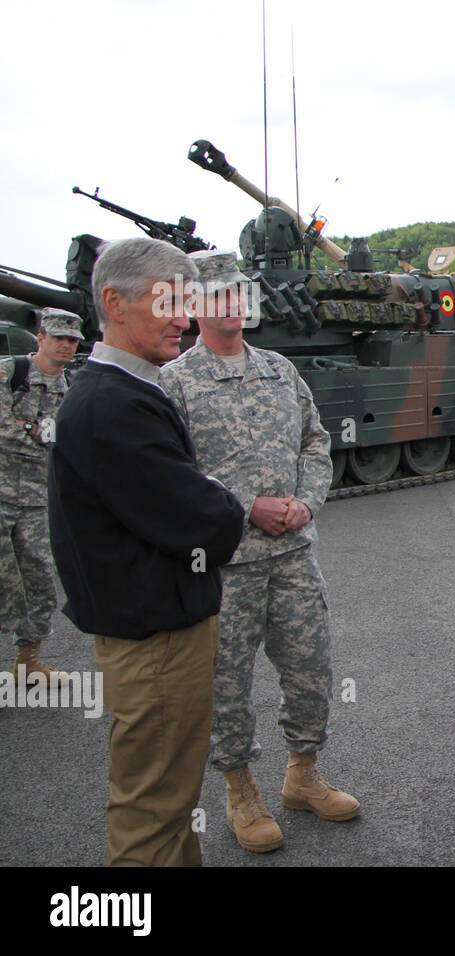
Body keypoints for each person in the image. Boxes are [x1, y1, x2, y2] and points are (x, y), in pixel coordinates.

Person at [48, 237, 246, 866]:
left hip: (155, 627)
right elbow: (209, 522)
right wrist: (221, 498)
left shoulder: (122, 390)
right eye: (169, 302)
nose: (184, 318)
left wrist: (206, 493)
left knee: (170, 806)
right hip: (156, 642)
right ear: (114, 302)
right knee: (152, 819)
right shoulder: (114, 404)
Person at [161, 250, 357, 855]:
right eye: (219, 294)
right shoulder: (174, 383)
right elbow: (170, 475)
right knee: (226, 683)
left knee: (311, 670)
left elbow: (315, 441)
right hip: (225, 565)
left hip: (293, 555)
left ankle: (303, 775)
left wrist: (307, 502)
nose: (233, 303)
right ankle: (239, 789)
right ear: (193, 304)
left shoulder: (279, 369)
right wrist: (249, 506)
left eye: (239, 292)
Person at [2, 308, 82, 687]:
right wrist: (39, 433)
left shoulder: (71, 388)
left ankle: (27, 660)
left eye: (72, 340)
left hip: (37, 499)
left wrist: (29, 428)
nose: (66, 345)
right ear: (41, 339)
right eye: (58, 338)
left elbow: (69, 438)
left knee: (39, 581)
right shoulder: (10, 373)